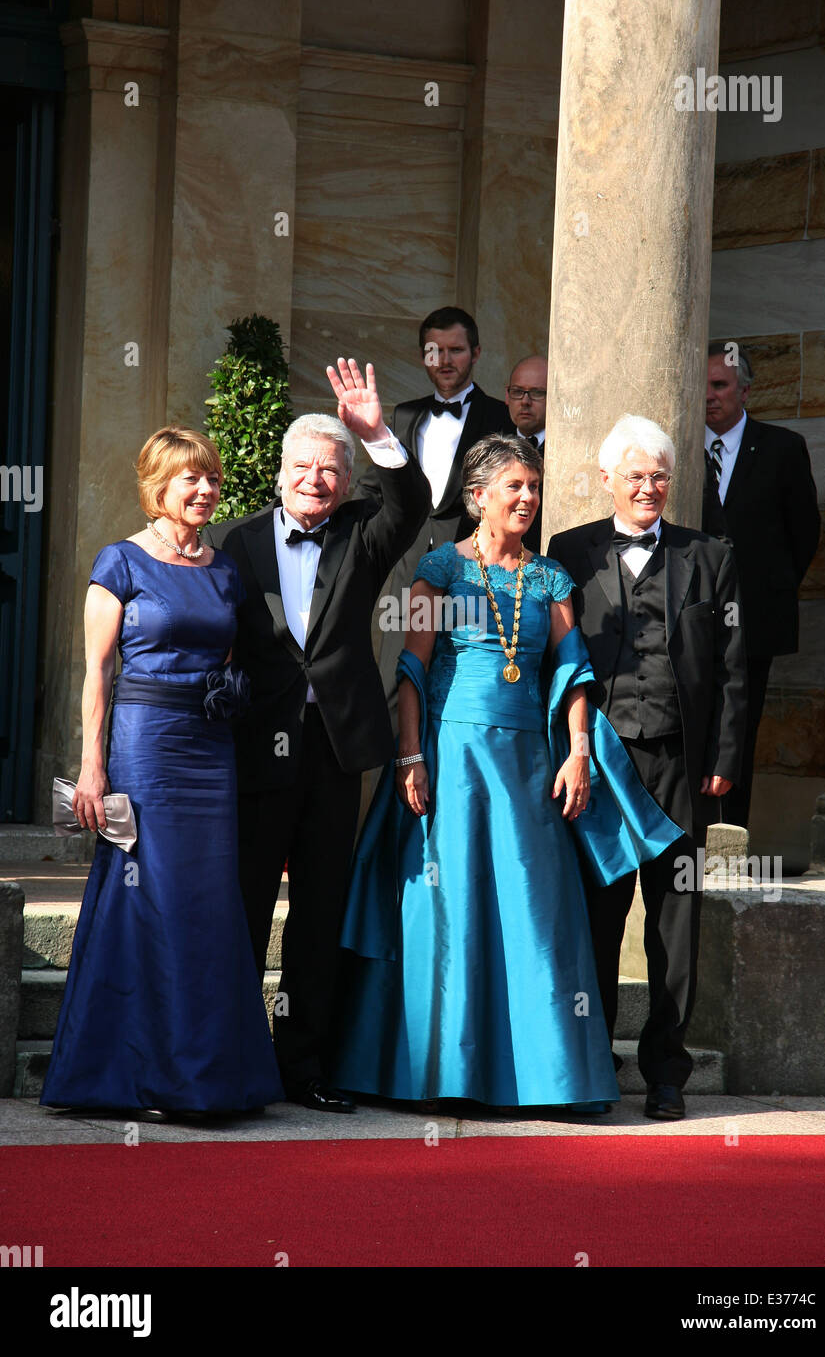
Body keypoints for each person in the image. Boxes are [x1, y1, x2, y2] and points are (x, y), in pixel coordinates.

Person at [330, 434, 682, 1111]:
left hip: (528, 763)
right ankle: (440, 1072)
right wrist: (410, 756)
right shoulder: (440, 567)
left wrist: (579, 753)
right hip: (453, 757)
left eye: (533, 487)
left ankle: (543, 1078)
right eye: (514, 487)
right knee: (450, 905)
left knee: (531, 906)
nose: (527, 498)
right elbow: (411, 670)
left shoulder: (550, 576)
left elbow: (574, 671)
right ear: (478, 496)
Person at [203, 360, 431, 1113]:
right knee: (243, 904)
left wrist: (375, 435)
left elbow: (415, 504)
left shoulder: (364, 534)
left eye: (329, 468)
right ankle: (233, 1060)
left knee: (321, 911)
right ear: (278, 473)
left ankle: (303, 1066)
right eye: (302, 466)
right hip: (252, 751)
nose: (315, 479)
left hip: (337, 752)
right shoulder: (234, 544)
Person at [41, 427, 282, 1116]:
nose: (205, 490)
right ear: (158, 488)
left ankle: (206, 1074)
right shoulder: (118, 562)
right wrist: (93, 768)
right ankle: (130, 1070)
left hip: (211, 750)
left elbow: (237, 657)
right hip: (145, 748)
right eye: (190, 480)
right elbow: (97, 673)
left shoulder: (226, 570)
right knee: (147, 892)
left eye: (211, 479)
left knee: (208, 902)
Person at [547, 415, 747, 1120]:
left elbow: (734, 669)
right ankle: (592, 1062)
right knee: (597, 916)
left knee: (675, 920)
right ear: (607, 481)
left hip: (681, 766)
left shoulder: (710, 555)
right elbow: (553, 662)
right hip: (598, 766)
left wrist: (724, 760)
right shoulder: (568, 552)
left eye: (659, 475)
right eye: (633, 475)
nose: (647, 487)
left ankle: (667, 1074)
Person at [356, 306, 512, 719]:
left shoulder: (501, 417)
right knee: (398, 680)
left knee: (463, 680)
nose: (443, 361)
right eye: (433, 351)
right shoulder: (405, 415)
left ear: (476, 353)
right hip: (408, 573)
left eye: (455, 350)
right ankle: (400, 778)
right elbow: (376, 485)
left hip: (474, 572)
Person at [702, 341, 820, 828]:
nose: (709, 396)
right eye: (703, 386)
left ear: (745, 391)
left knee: (738, 734)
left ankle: (727, 850)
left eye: (720, 385)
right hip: (686, 621)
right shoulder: (675, 449)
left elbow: (804, 535)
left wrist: (767, 592)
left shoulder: (782, 449)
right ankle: (683, 847)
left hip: (753, 624)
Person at [504, 355, 548, 552]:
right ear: (507, 396)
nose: (525, 401)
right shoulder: (493, 443)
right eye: (518, 392)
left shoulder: (569, 451)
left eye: (537, 393)